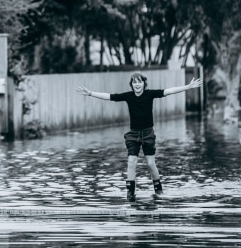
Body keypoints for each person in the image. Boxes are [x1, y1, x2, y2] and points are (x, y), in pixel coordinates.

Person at [76, 72, 203, 201]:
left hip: (148, 134)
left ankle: (159, 192)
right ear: (132, 85)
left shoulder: (150, 94)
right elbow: (110, 96)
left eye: (139, 82)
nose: (137, 84)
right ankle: (130, 194)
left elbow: (169, 91)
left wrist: (188, 87)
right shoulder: (129, 96)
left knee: (150, 163)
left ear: (143, 84)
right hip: (133, 134)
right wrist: (91, 93)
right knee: (131, 162)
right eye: (134, 82)